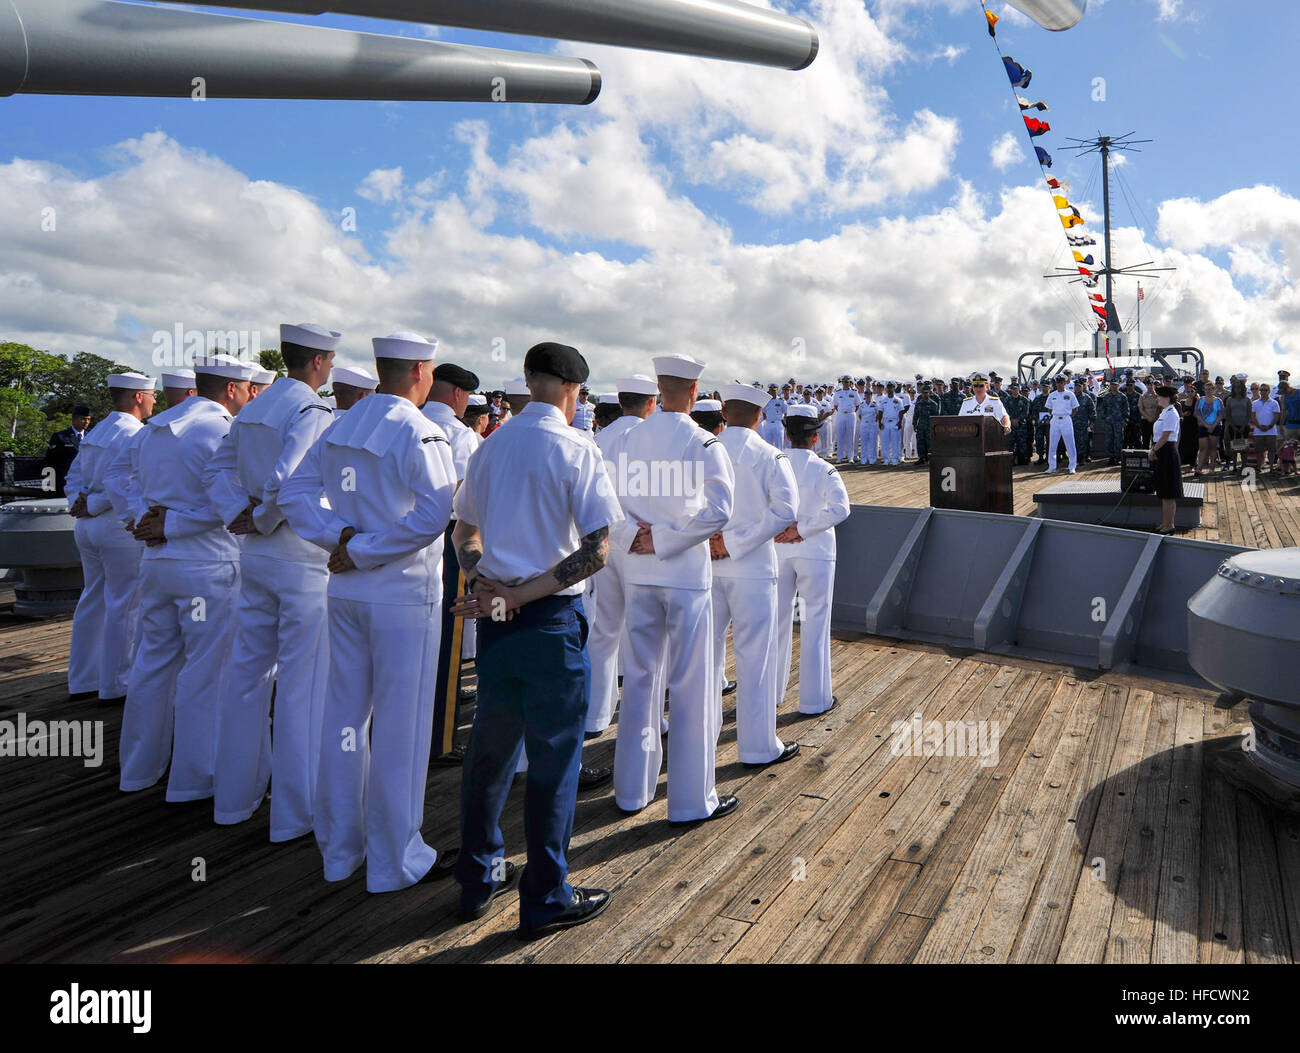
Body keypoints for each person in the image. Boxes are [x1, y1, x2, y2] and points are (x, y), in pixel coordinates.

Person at [449, 341, 625, 938]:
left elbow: (463, 531)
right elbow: (597, 550)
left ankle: (476, 877)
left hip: (495, 619)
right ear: (574, 390)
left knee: (490, 755)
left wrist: (484, 581)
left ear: (527, 381)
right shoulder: (578, 449)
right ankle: (546, 895)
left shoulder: (491, 445)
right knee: (554, 761)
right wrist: (523, 593)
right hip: (547, 619)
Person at [279, 331, 458, 893]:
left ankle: (340, 850)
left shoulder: (341, 424)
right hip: (401, 596)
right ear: (421, 371)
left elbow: (293, 494)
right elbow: (435, 515)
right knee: (402, 730)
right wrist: (362, 548)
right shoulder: (422, 431)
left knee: (344, 721)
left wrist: (340, 537)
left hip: (346, 591)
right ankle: (394, 861)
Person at [205, 323, 339, 841]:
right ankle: (293, 814)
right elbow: (288, 481)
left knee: (246, 678)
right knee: (302, 687)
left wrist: (237, 512)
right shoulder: (310, 410)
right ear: (321, 362)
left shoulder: (255, 407)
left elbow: (215, 471)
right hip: (296, 555)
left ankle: (234, 800)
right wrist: (257, 515)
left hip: (255, 556)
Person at [118, 354, 255, 800]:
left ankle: (137, 770)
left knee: (151, 665)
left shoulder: (155, 427)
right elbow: (229, 504)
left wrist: (143, 519)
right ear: (232, 389)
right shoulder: (223, 430)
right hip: (206, 565)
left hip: (158, 563)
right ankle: (195, 779)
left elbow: (121, 476)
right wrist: (170, 524)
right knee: (205, 672)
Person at [607, 352, 736, 823]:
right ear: (695, 392)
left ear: (660, 390)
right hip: (683, 576)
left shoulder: (626, 441)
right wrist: (665, 538)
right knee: (691, 684)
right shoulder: (703, 443)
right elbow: (719, 511)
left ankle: (631, 791)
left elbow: (609, 504)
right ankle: (688, 801)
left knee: (639, 680)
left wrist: (634, 538)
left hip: (638, 572)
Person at [710, 383, 800, 767]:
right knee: (754, 658)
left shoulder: (701, 451)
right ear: (761, 417)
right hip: (752, 570)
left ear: (725, 412)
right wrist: (736, 542)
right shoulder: (769, 455)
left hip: (704, 567)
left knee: (704, 657)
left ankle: (702, 735)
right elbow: (785, 511)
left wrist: (714, 541)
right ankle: (758, 747)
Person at [65, 373, 155, 704]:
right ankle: (117, 683)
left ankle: (83, 679)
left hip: (87, 526)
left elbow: (75, 474)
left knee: (93, 599)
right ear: (137, 398)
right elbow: (126, 481)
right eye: (150, 395)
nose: (154, 400)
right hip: (116, 526)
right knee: (125, 604)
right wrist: (95, 502)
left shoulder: (98, 429)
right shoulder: (135, 433)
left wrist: (78, 501)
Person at [587, 375, 658, 736]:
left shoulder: (598, 439)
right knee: (644, 633)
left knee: (604, 628)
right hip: (642, 544)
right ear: (650, 403)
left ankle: (596, 715)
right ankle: (644, 719)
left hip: (602, 543)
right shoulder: (652, 439)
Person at [421, 361, 484, 763]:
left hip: (392, 543)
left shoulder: (407, 420)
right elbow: (468, 500)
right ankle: (440, 739)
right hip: (448, 538)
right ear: (459, 396)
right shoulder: (461, 436)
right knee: (448, 639)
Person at [774, 406, 850, 716]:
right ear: (816, 438)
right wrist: (802, 529)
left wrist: (785, 529)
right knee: (814, 622)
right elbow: (840, 509)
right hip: (815, 551)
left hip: (777, 550)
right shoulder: (823, 469)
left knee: (776, 622)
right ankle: (814, 701)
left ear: (786, 435)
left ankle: (772, 693)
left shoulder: (774, 465)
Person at [1149, 385, 1183, 533]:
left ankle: (1170, 524)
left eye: (1159, 396)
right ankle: (1165, 522)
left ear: (1167, 398)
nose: (1157, 398)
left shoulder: (1171, 413)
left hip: (1167, 451)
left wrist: (1153, 450)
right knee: (1163, 491)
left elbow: (1166, 436)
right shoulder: (1165, 412)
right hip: (1163, 451)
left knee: (1169, 492)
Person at [43, 404, 92, 495]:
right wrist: (49, 484)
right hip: (65, 482)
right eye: (83, 419)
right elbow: (50, 461)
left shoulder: (92, 437)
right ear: (74, 419)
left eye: (88, 419)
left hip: (85, 484)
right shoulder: (60, 437)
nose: (86, 422)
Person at [1043, 375, 1079, 473]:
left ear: (1065, 383)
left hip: (1066, 419)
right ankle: (1052, 466)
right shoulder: (1052, 395)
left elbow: (1075, 409)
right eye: (1058, 382)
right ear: (1055, 383)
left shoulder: (1070, 394)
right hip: (1055, 420)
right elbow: (1049, 409)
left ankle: (1072, 466)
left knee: (1070, 444)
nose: (1059, 384)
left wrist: (1068, 416)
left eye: (1061, 382)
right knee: (1052, 444)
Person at [1192, 383, 1223, 476]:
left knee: (1213, 448)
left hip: (1216, 426)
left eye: (1210, 389)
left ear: (1214, 389)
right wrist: (1206, 425)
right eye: (1206, 389)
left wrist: (1213, 425)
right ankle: (1199, 468)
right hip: (1202, 426)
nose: (1208, 391)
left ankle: (1212, 468)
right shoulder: (1200, 400)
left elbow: (1221, 414)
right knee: (1203, 448)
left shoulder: (1218, 401)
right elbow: (1197, 413)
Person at [1097, 379, 1129, 466]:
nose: (1113, 386)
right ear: (1110, 386)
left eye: (1115, 384)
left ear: (1118, 385)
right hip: (1108, 422)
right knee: (1109, 439)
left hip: (1119, 421)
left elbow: (1126, 409)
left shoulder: (1122, 396)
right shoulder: (1106, 397)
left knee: (1118, 439)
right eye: (1112, 385)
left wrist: (1125, 420)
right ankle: (1111, 457)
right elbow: (1103, 409)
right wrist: (1103, 420)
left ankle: (1118, 457)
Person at [1251, 383, 1282, 472]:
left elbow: (1276, 416)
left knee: (1271, 451)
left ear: (1269, 391)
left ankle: (1271, 467)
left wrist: (1269, 426)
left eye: (1265, 390)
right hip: (1258, 431)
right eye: (1261, 390)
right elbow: (1252, 416)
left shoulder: (1274, 403)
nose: (1262, 392)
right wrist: (1259, 426)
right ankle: (1259, 466)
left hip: (1271, 431)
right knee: (1259, 451)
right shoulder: (1254, 403)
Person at [911, 381, 942, 465]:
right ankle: (922, 457)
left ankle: (930, 458)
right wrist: (914, 423)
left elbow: (937, 414)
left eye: (926, 392)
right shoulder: (919, 402)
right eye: (923, 392)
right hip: (921, 425)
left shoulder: (934, 402)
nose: (925, 394)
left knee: (930, 442)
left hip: (929, 425)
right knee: (920, 441)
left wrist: (935, 425)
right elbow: (916, 414)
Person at [877, 383, 906, 466]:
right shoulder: (883, 400)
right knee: (885, 442)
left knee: (895, 442)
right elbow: (880, 411)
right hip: (885, 422)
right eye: (888, 387)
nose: (890, 389)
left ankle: (895, 459)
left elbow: (901, 411)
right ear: (886, 388)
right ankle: (886, 459)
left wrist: (900, 422)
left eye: (892, 387)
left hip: (895, 422)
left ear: (894, 388)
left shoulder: (898, 400)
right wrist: (879, 422)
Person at [831, 376, 857, 465]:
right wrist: (842, 411)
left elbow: (857, 405)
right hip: (841, 415)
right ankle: (839, 457)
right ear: (842, 383)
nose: (846, 384)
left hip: (851, 415)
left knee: (851, 436)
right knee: (840, 437)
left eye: (847, 382)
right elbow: (835, 405)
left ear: (850, 383)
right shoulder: (838, 393)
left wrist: (850, 411)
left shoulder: (854, 392)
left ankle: (850, 457)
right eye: (844, 382)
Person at [1003, 381, 1031, 464]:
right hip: (1010, 424)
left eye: (1015, 388)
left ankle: (1022, 460)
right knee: (1011, 443)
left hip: (1021, 424)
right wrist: (1011, 420)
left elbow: (1026, 413)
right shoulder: (1007, 399)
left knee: (1022, 442)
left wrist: (1017, 420)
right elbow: (1005, 411)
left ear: (1019, 389)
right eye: (1012, 389)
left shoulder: (1025, 400)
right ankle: (1011, 461)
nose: (1014, 390)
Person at [1072, 378, 1095, 464]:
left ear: (1082, 387)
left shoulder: (1087, 398)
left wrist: (1092, 423)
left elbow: (1092, 411)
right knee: (1072, 442)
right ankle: (1074, 458)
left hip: (1083, 423)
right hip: (1071, 423)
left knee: (1083, 441)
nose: (1077, 388)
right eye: (1076, 386)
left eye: (1079, 386)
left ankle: (1081, 458)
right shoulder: (1070, 396)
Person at [855, 383, 879, 465]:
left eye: (869, 394)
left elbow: (878, 413)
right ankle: (864, 458)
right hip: (864, 424)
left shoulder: (875, 404)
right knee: (864, 442)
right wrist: (864, 421)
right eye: (866, 394)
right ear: (864, 395)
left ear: (872, 395)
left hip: (872, 424)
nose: (868, 395)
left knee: (873, 442)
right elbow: (860, 414)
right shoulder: (862, 404)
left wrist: (874, 421)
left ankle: (872, 458)